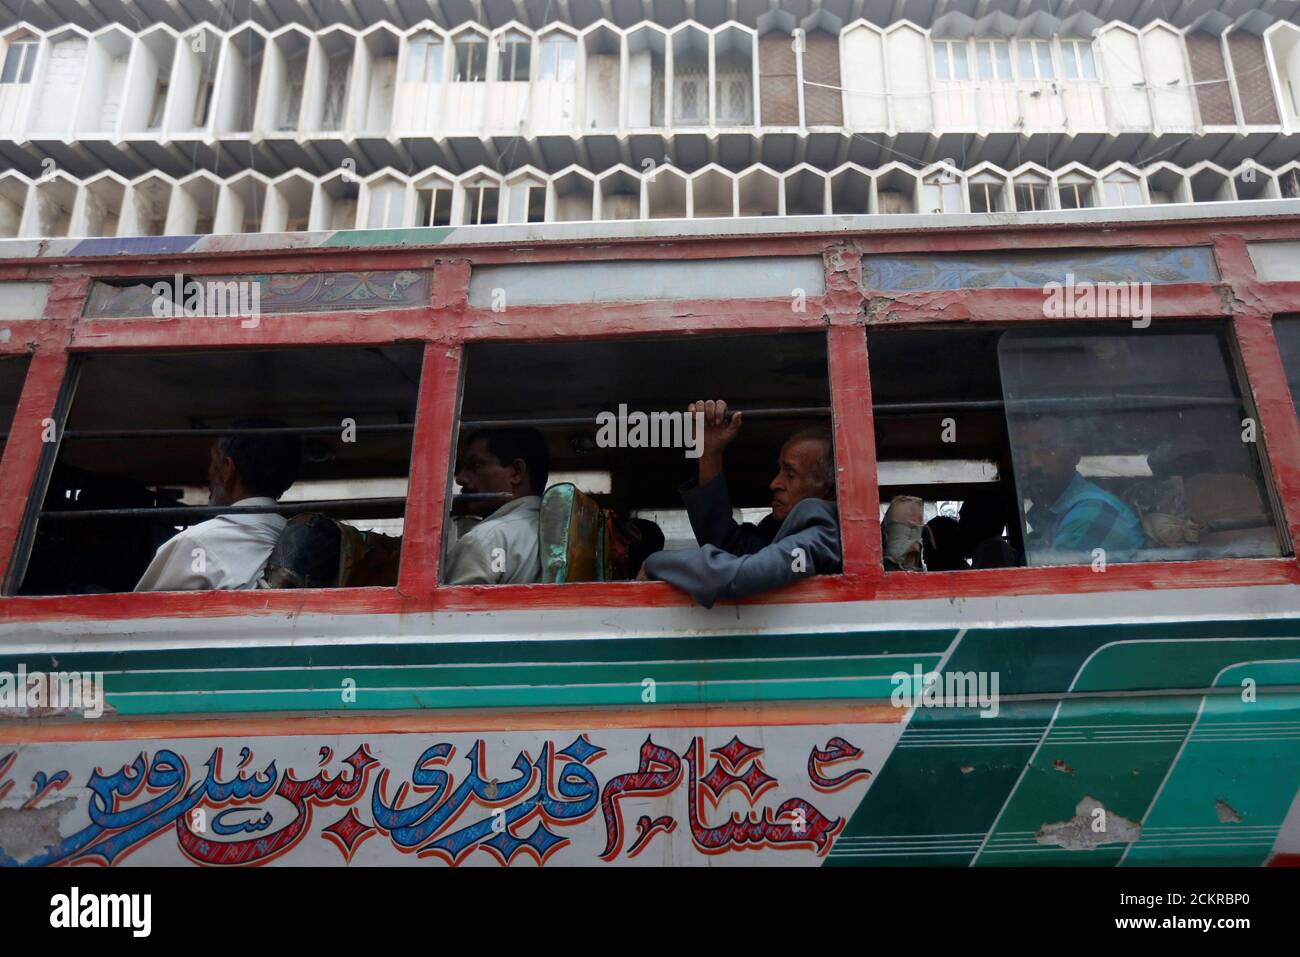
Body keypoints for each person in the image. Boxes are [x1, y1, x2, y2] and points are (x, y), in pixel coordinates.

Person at [639, 399, 840, 607]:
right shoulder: (784, 531)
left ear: (830, 488)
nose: (774, 483)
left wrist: (657, 562)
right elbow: (729, 548)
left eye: (790, 474)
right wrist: (710, 454)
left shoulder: (823, 537)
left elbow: (739, 575)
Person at [135, 419, 301, 591]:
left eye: (213, 464)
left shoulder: (195, 543)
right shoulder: (308, 545)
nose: (208, 475)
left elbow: (141, 614)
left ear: (228, 469)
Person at [1016, 416, 1144, 562]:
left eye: (1045, 448)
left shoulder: (1090, 512)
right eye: (1020, 452)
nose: (1033, 463)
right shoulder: (1050, 515)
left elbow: (1056, 582)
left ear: (1074, 453)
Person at [444, 427, 548, 585]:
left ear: (516, 473)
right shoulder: (553, 529)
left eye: (476, 465)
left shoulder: (485, 539)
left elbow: (459, 608)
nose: (460, 478)